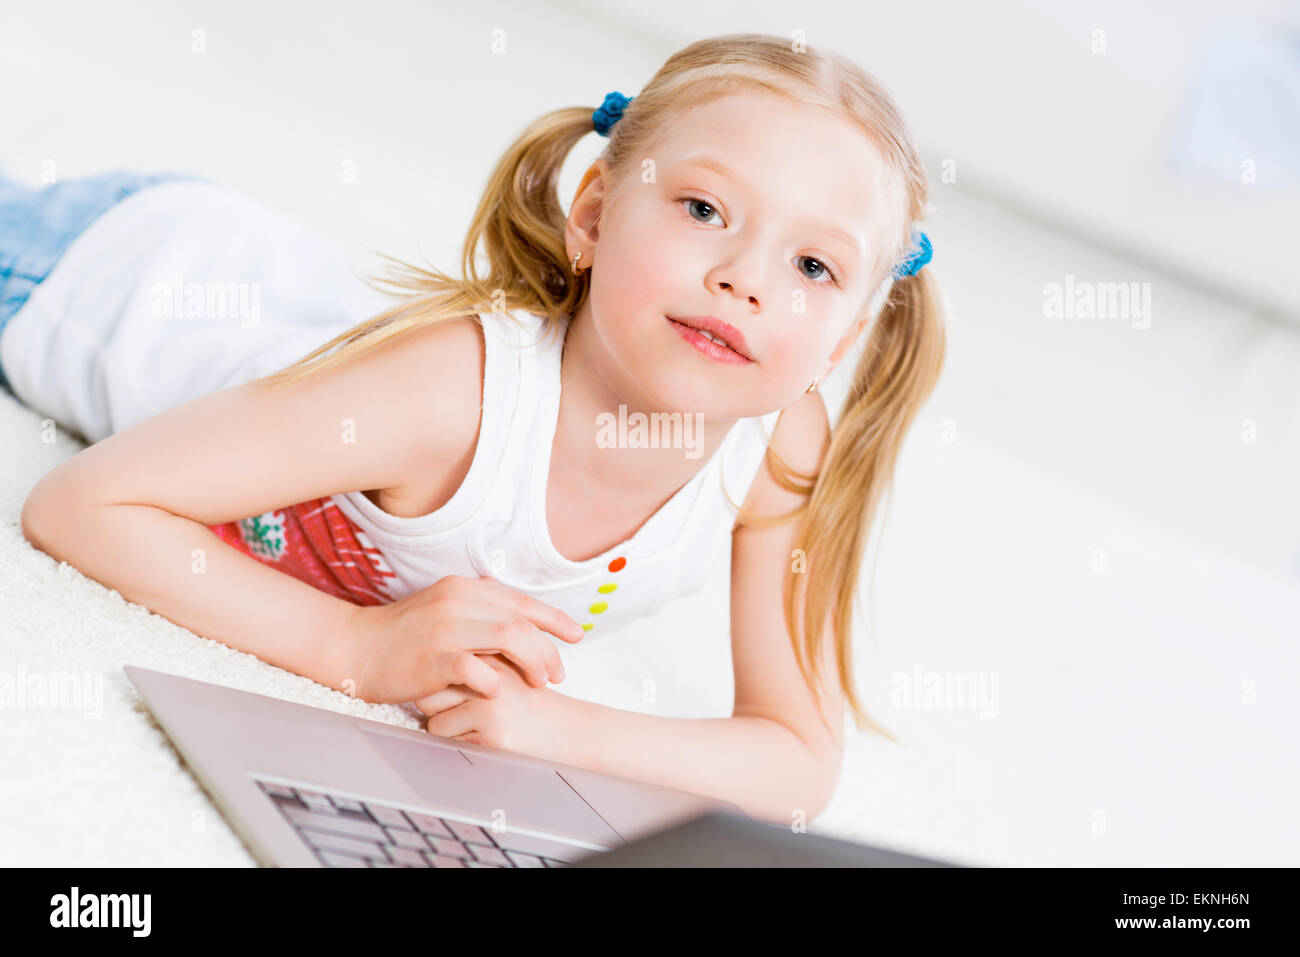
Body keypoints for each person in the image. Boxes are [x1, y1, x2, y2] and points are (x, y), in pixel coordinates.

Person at [10, 33, 946, 824]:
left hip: (283, 307)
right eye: (704, 209)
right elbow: (83, 503)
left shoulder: (779, 447)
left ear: (847, 335)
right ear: (592, 215)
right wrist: (353, 650)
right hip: (91, 271)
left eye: (815, 266)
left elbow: (796, 762)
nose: (746, 278)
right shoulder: (451, 391)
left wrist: (555, 730)